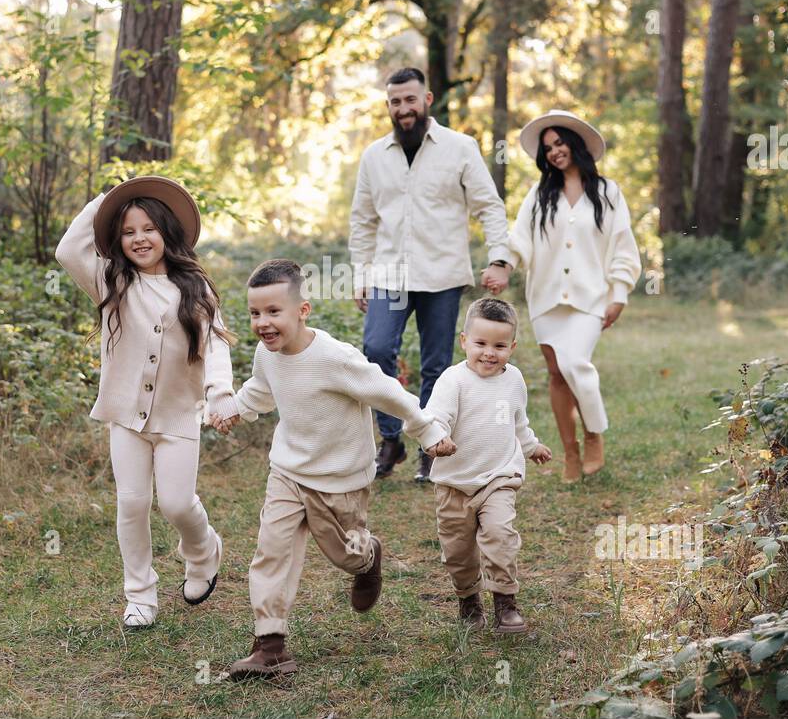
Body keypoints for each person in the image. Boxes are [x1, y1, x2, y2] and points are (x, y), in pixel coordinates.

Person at [209, 258, 454, 679]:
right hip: (287, 471)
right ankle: (271, 646)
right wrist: (233, 409)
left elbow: (389, 394)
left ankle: (368, 557)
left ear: (302, 311)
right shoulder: (267, 357)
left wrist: (427, 431)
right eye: (254, 313)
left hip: (339, 479)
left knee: (345, 553)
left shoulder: (336, 358)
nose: (262, 323)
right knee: (272, 552)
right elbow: (260, 393)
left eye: (273, 312)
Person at [55, 176, 236, 628]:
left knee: (176, 504)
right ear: (118, 238)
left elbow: (216, 347)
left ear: (167, 233)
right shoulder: (111, 283)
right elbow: (67, 250)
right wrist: (106, 199)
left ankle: (202, 550)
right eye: (128, 230)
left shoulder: (196, 289)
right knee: (132, 503)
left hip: (180, 414)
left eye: (149, 228)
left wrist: (220, 393)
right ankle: (139, 595)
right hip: (125, 418)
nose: (139, 238)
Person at [349, 67, 514, 482]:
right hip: (388, 274)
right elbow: (362, 221)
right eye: (395, 101)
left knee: (437, 366)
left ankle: (431, 444)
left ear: (427, 99)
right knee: (376, 349)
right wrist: (360, 273)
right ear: (388, 106)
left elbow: (488, 206)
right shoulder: (374, 156)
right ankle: (391, 438)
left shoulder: (459, 148)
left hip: (443, 275)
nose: (403, 108)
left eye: (410, 99)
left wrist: (499, 259)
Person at [498, 111, 641, 480]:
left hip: (590, 298)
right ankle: (571, 454)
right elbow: (519, 238)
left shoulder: (608, 192)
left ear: (575, 144)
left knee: (576, 363)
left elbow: (623, 246)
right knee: (557, 375)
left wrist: (619, 292)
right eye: (547, 148)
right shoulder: (539, 194)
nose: (555, 152)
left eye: (560, 143)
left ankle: (594, 434)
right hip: (545, 299)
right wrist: (504, 264)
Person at [424, 297, 552, 634]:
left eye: (499, 346)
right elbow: (436, 418)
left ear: (512, 346)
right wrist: (436, 439)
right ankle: (468, 599)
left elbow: (518, 420)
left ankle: (505, 602)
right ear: (464, 341)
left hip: (499, 477)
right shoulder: (453, 381)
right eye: (480, 343)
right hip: (454, 481)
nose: (489, 353)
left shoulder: (513, 380)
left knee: (500, 536)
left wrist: (531, 446)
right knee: (458, 551)